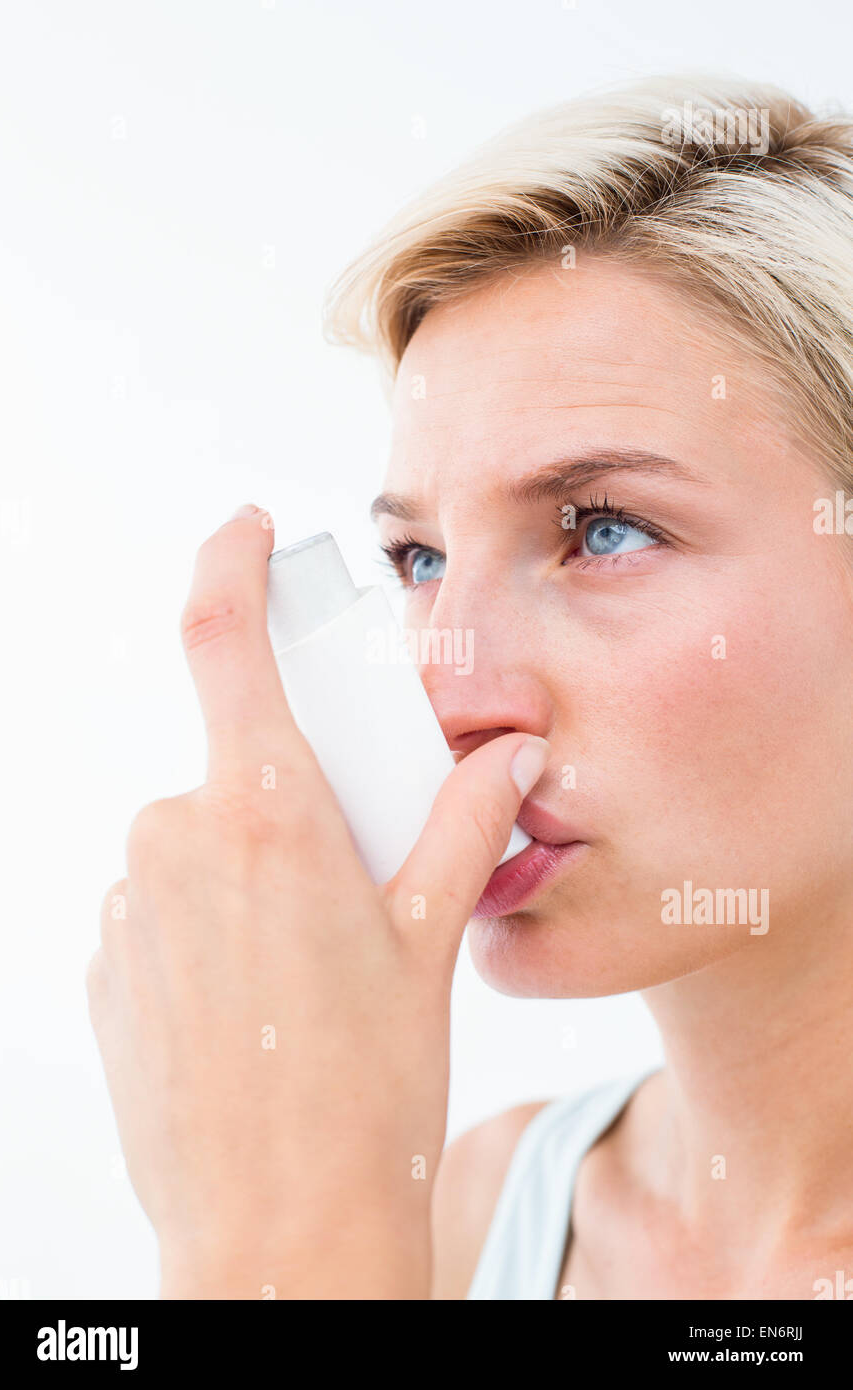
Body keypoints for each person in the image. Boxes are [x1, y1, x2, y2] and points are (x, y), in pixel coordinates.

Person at [88, 74, 853, 1299]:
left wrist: (275, 1253)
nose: (447, 700)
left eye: (602, 530)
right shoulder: (458, 1215)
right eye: (420, 560)